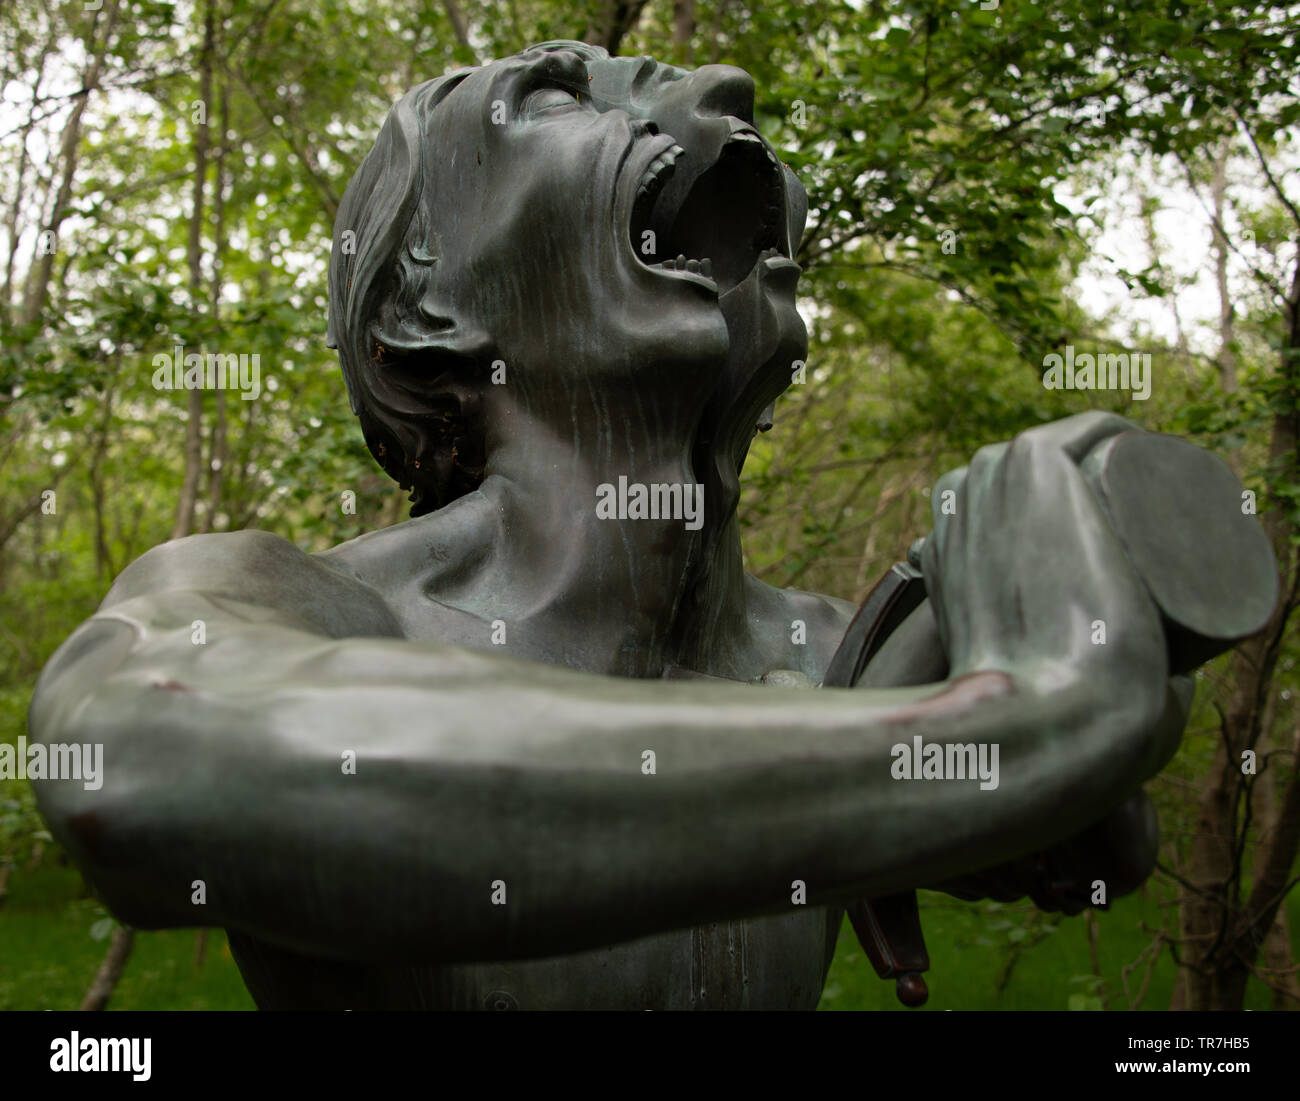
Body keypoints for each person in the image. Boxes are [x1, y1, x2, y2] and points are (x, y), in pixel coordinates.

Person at [29, 42, 1206, 1009]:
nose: (720, 96)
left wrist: (1079, 652)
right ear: (423, 303)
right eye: (552, 98)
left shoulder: (838, 662)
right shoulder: (286, 604)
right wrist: (1001, 734)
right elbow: (142, 769)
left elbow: (1102, 856)